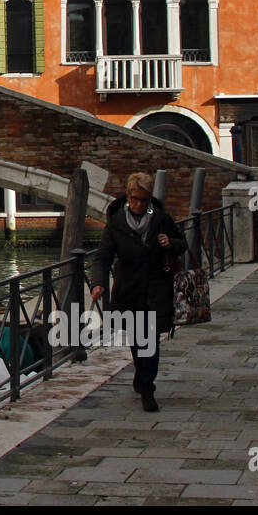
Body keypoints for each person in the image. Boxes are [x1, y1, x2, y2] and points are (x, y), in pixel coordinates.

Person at [90, 173, 187, 413]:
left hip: (155, 287)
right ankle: (141, 374)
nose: (139, 204)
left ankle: (147, 388)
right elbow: (103, 257)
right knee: (136, 338)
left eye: (144, 200)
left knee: (150, 339)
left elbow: (182, 243)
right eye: (135, 199)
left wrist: (170, 243)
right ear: (128, 196)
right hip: (129, 288)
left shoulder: (161, 218)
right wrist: (98, 283)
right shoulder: (116, 223)